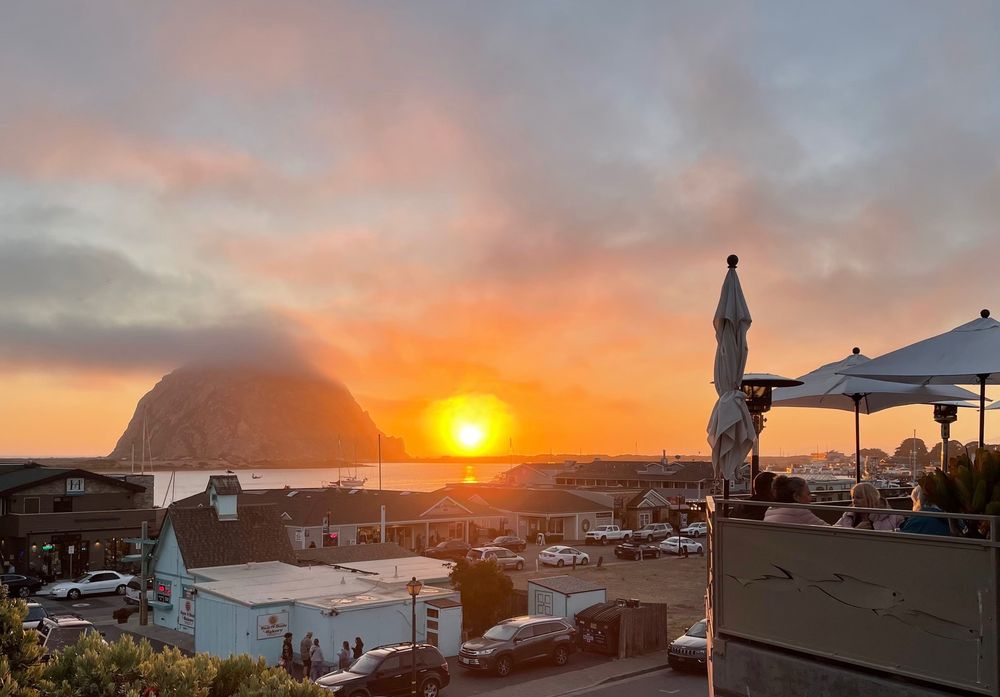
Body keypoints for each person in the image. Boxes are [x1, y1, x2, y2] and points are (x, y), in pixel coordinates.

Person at [834, 482, 903, 531]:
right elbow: (835, 533)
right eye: (853, 497)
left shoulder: (893, 517)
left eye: (858, 497)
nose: (854, 501)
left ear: (870, 498)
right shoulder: (848, 515)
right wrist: (856, 531)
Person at [763, 476, 828, 526]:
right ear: (796, 496)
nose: (810, 498)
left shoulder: (770, 510)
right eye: (808, 494)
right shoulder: (798, 511)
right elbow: (831, 530)